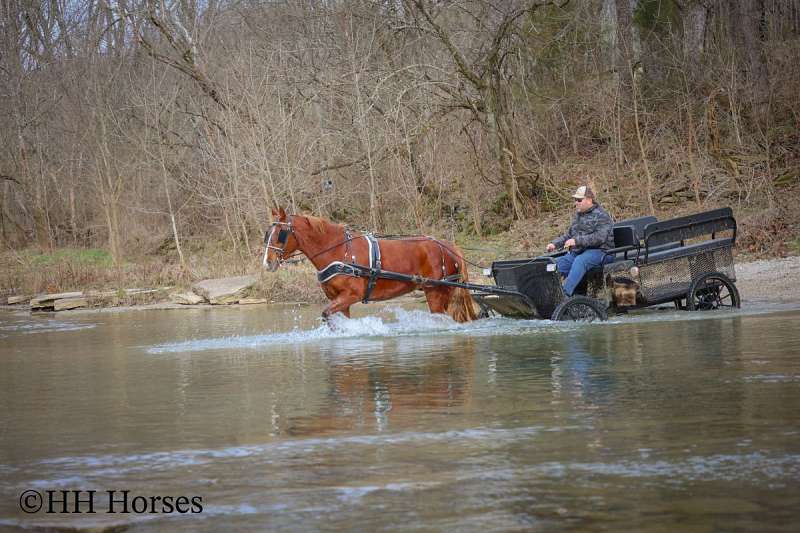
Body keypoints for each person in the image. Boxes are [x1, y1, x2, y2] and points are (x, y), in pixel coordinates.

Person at [546, 185, 614, 296]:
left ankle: (564, 295)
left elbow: (600, 238)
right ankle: (548, 296)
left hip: (601, 252)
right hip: (579, 252)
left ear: (589, 200)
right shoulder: (578, 216)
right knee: (553, 265)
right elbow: (569, 235)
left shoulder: (602, 216)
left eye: (579, 200)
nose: (576, 203)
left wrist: (577, 241)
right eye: (575, 200)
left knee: (580, 261)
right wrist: (554, 244)